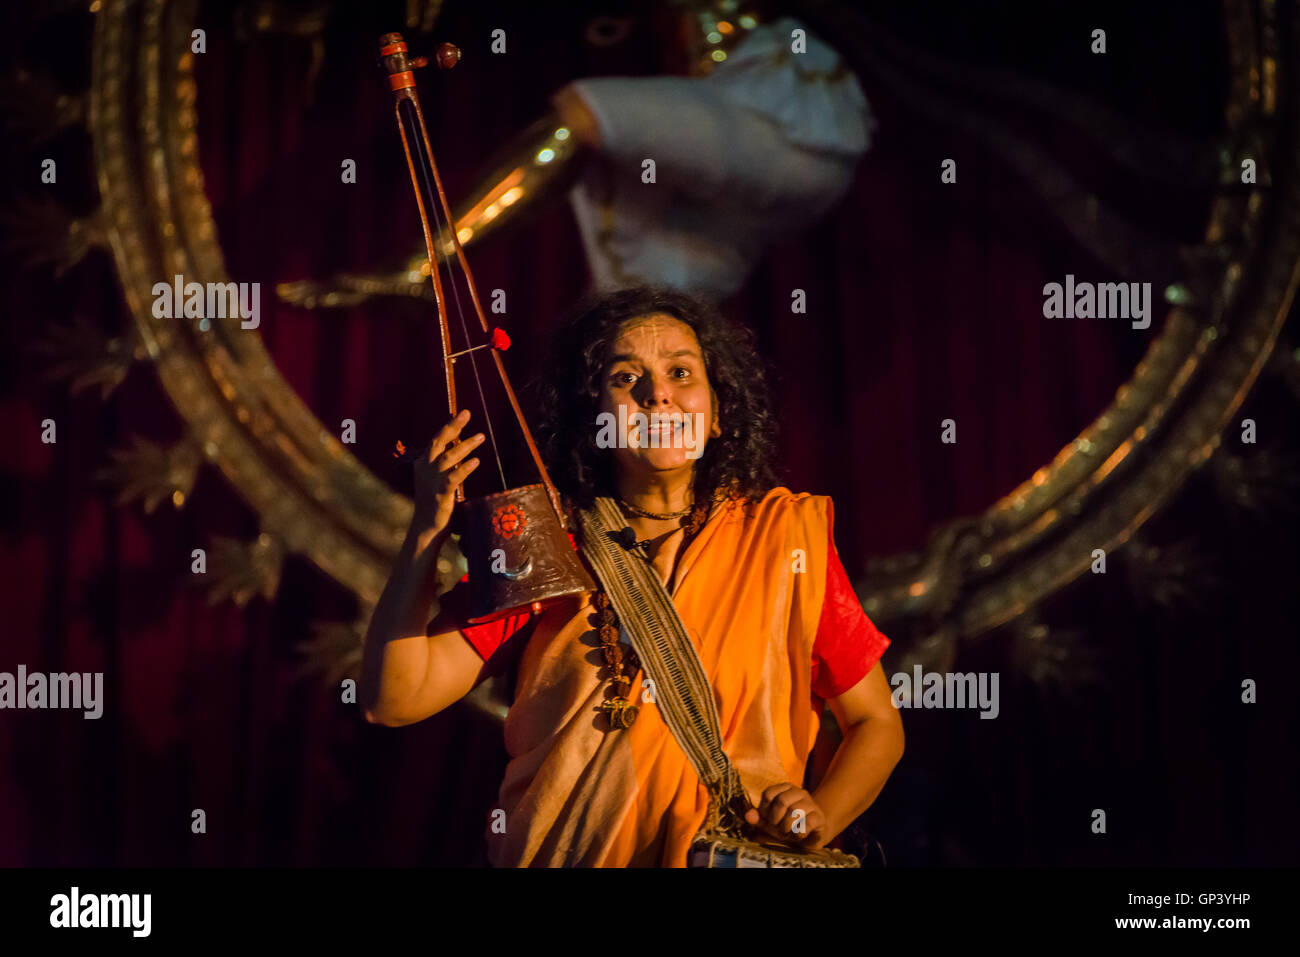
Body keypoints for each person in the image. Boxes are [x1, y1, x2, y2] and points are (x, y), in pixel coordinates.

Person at [359, 286, 903, 866]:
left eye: (681, 372)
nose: (658, 394)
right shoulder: (542, 545)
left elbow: (875, 724)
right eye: (624, 378)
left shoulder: (783, 541)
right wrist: (426, 532)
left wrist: (820, 816)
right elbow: (396, 700)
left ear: (717, 414)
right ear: (594, 418)